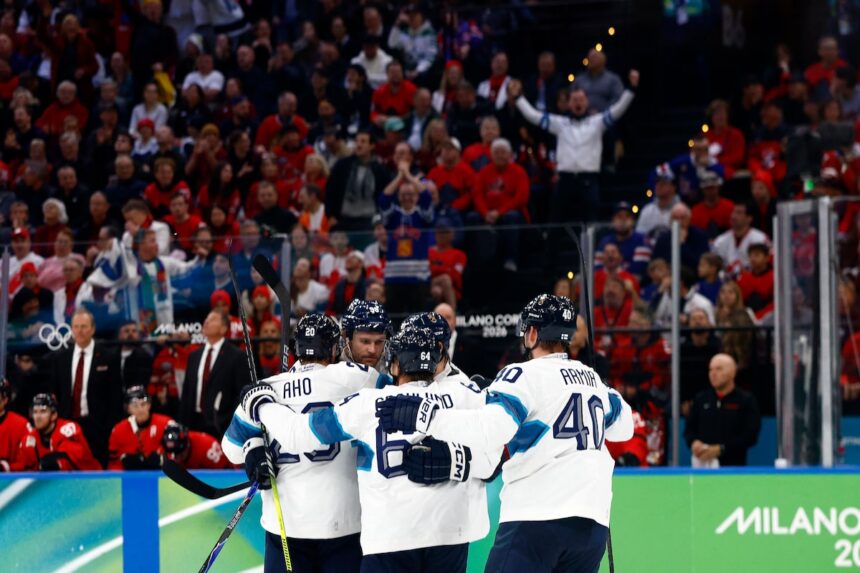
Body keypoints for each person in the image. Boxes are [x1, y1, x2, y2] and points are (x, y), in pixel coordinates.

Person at [376, 294, 634, 572]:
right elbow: (624, 429)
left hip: (538, 517)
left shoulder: (522, 375)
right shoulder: (593, 379)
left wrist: (425, 416)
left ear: (533, 333)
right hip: (591, 523)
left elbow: (492, 431)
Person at [240, 324, 495, 572]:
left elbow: (298, 434)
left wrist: (261, 404)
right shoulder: (466, 394)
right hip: (451, 536)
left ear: (394, 364)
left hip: (389, 540)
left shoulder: (367, 403)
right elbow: (495, 456)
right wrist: (459, 461)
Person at [223, 314, 376, 573]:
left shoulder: (266, 390)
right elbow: (397, 393)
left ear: (295, 349)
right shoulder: (359, 378)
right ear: (335, 348)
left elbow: (231, 449)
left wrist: (254, 449)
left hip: (285, 527)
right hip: (344, 523)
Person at [508, 70, 638, 223]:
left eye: (581, 99)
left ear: (587, 102)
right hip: (565, 180)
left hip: (589, 180)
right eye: (574, 100)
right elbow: (533, 116)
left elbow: (618, 110)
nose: (578, 103)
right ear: (569, 104)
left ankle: (590, 248)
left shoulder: (597, 122)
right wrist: (518, 98)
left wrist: (631, 89)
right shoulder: (559, 123)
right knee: (555, 221)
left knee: (591, 222)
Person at [49, 308, 122, 466]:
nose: (79, 331)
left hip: (98, 427)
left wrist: (108, 427)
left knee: (97, 470)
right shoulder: (61, 358)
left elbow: (115, 397)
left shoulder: (109, 357)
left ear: (93, 329)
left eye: (84, 326)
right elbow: (56, 393)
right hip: (68, 425)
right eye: (76, 327)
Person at [179, 310, 251, 438]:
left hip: (221, 426)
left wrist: (226, 421)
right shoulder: (194, 356)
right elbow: (187, 392)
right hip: (193, 425)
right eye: (206, 319)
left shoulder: (236, 356)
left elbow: (241, 393)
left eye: (212, 319)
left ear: (223, 328)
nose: (206, 321)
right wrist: (183, 424)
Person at [684, 354, 761, 467]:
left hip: (733, 468)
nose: (713, 374)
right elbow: (689, 430)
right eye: (710, 369)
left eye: (719, 369)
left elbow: (750, 435)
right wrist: (694, 443)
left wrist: (721, 448)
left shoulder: (746, 400)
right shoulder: (701, 399)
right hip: (702, 466)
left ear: (732, 373)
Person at [19, 393, 102, 471]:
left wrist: (50, 463)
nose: (38, 417)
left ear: (54, 415)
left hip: (90, 480)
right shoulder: (29, 439)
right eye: (35, 412)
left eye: (43, 411)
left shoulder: (68, 429)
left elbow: (66, 461)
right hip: (56, 483)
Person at [107, 386, 173, 470]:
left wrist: (163, 460)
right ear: (128, 409)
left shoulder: (167, 424)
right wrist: (124, 467)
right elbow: (113, 465)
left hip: (160, 477)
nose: (140, 410)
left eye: (143, 404)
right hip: (130, 479)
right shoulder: (118, 430)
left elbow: (177, 458)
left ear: (149, 405)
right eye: (135, 406)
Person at [595, 202, 651, 278]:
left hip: (633, 285)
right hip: (606, 284)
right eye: (619, 217)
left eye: (627, 216)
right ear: (613, 220)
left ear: (633, 221)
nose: (623, 220)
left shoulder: (641, 240)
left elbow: (639, 270)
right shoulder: (605, 241)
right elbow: (597, 268)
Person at [711, 201, 770, 273]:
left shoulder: (760, 239)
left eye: (739, 213)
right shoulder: (720, 241)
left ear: (749, 218)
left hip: (755, 281)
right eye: (733, 212)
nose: (733, 216)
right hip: (727, 282)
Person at [339, 299, 391, 371]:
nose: (372, 350)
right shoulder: (330, 373)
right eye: (365, 341)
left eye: (379, 342)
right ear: (346, 337)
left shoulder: (392, 372)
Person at [635, 164, 680, 238]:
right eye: (657, 182)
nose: (658, 186)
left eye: (663, 183)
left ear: (673, 187)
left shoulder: (681, 210)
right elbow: (639, 237)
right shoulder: (647, 210)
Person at [162, 422, 229, 469]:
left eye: (180, 454)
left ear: (187, 445)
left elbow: (227, 473)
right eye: (174, 454)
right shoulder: (169, 451)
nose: (177, 459)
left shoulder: (207, 447)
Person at [690, 170, 734, 239]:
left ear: (718, 187)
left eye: (713, 187)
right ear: (702, 190)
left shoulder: (729, 206)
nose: (710, 191)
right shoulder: (696, 211)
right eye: (707, 188)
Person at [0, 379, 29, 471]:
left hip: (11, 481)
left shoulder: (21, 425)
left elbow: (28, 462)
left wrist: (6, 467)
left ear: (5, 400)